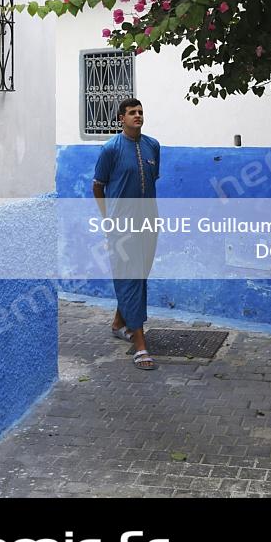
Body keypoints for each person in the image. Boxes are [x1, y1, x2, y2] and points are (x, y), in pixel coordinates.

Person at [92, 98, 161, 370]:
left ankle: (119, 323)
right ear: (121, 118)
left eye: (141, 112)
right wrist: (107, 217)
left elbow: (151, 182)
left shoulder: (152, 146)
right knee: (130, 277)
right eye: (132, 113)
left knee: (140, 275)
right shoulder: (110, 149)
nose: (138, 116)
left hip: (149, 222)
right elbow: (98, 186)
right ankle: (140, 344)